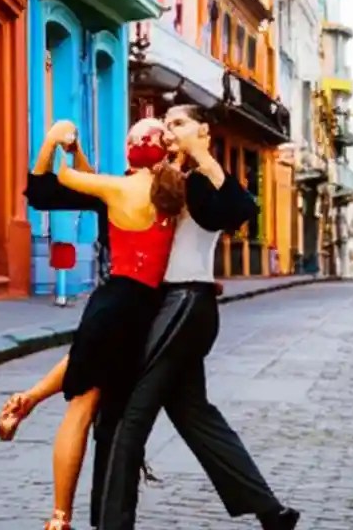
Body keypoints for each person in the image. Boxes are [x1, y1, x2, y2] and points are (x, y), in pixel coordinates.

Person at [98, 104, 300, 530]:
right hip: (177, 307)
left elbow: (240, 209)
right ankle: (270, 511)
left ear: (202, 131)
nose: (169, 131)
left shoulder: (203, 182)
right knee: (194, 414)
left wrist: (202, 155)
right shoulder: (167, 180)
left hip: (185, 303)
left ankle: (112, 525)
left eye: (179, 124)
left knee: (131, 414)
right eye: (166, 124)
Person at [0, 118, 184, 530]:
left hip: (113, 304)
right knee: (88, 379)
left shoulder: (119, 188)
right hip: (144, 310)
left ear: (131, 150)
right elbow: (93, 180)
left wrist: (54, 140)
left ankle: (59, 518)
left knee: (81, 405)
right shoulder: (175, 190)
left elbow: (62, 180)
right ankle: (27, 400)